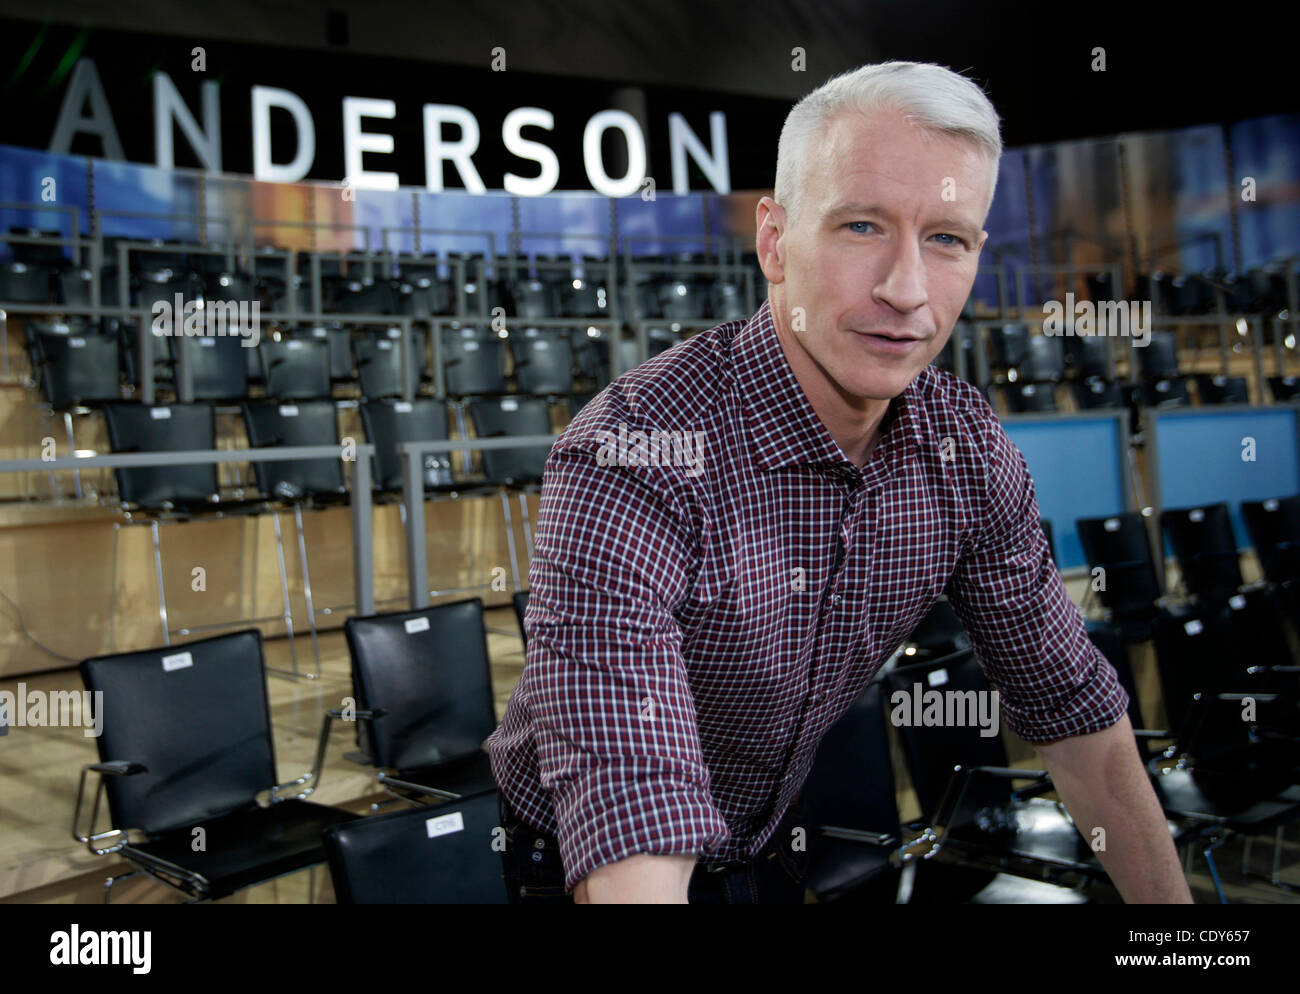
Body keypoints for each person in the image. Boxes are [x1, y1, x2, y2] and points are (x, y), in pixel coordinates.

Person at [485, 60, 1193, 904]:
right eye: (862, 227)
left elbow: (1070, 704)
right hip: (581, 868)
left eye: (947, 239)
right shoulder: (634, 452)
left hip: (772, 838)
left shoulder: (965, 448)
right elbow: (633, 804)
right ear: (775, 240)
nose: (906, 291)